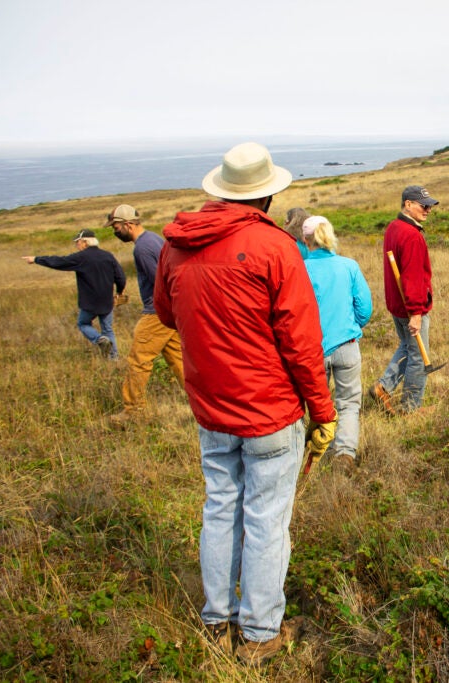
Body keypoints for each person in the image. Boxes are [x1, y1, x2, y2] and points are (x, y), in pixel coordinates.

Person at [153, 142, 338, 665]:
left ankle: (217, 620)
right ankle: (259, 633)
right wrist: (323, 411)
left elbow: (167, 314)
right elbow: (302, 344)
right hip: (269, 412)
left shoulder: (175, 244)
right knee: (264, 520)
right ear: (268, 195)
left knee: (220, 510)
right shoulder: (274, 247)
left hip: (211, 408)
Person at [296, 214, 372, 474]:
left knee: (315, 402)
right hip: (346, 345)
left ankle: (317, 451)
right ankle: (345, 454)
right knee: (349, 402)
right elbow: (365, 309)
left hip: (310, 350)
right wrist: (351, 326)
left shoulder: (299, 270)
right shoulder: (349, 266)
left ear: (305, 240)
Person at [106, 204, 185, 425]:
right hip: (167, 312)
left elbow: (162, 280)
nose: (114, 231)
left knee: (138, 360)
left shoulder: (142, 247)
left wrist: (164, 308)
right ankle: (200, 399)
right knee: (178, 359)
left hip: (156, 313)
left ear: (128, 224)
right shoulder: (153, 239)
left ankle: (133, 410)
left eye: (116, 227)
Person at [370, 185, 438, 415]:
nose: (428, 210)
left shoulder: (394, 227)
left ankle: (384, 387)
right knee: (419, 357)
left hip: (398, 305)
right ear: (408, 204)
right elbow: (412, 277)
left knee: (408, 348)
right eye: (423, 205)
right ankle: (411, 409)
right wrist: (416, 312)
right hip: (409, 307)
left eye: (429, 206)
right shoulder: (411, 235)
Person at [22, 229, 126, 359]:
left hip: (89, 303)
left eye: (77, 242)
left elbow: (59, 262)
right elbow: (121, 277)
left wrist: (36, 259)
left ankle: (99, 339)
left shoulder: (81, 257)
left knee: (83, 324)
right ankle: (114, 358)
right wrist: (119, 292)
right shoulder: (108, 256)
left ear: (85, 242)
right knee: (108, 329)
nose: (76, 245)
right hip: (107, 301)